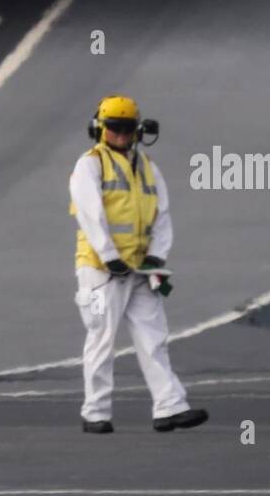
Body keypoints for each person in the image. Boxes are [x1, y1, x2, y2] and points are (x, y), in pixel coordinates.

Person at [69, 94, 208, 434]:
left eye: (127, 128)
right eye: (114, 127)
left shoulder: (148, 167)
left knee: (153, 337)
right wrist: (110, 257)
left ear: (138, 130)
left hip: (139, 269)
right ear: (100, 130)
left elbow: (162, 215)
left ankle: (170, 407)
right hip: (100, 271)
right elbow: (91, 216)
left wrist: (157, 257)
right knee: (102, 339)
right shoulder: (90, 165)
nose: (120, 134)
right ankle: (95, 412)